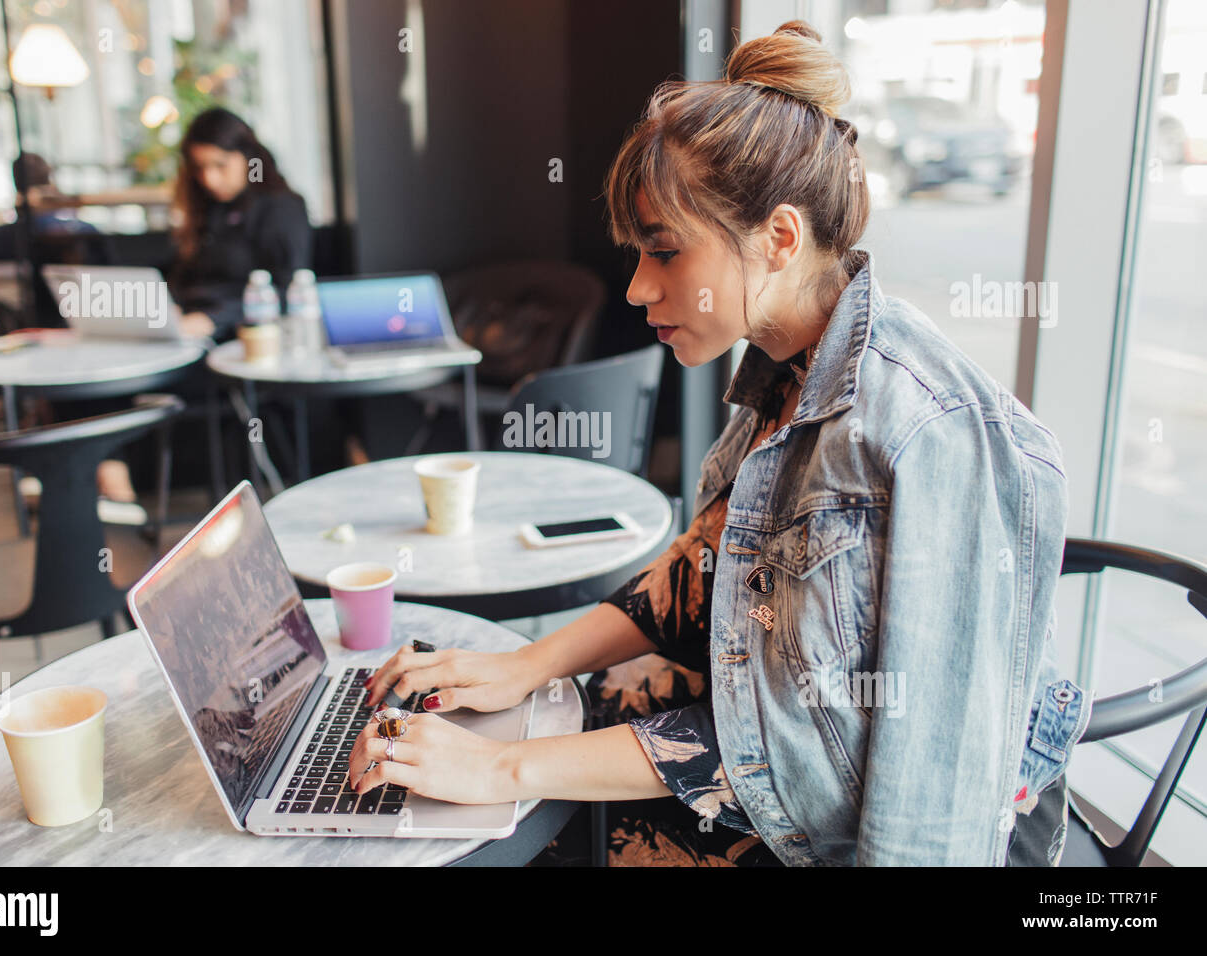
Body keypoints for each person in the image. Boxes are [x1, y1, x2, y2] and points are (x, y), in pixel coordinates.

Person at [345, 21, 1092, 867]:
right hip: (778, 775)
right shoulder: (782, 373)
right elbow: (703, 573)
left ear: (778, 238)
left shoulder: (933, 439)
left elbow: (924, 812)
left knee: (510, 826)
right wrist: (526, 666)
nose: (636, 287)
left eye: (664, 251)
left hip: (852, 834)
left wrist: (503, 767)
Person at [167, 107, 313, 340]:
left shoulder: (278, 208)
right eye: (200, 168)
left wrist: (213, 319)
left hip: (243, 337)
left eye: (220, 165)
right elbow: (184, 277)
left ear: (248, 159)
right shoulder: (206, 209)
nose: (209, 179)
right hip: (186, 331)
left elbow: (287, 291)